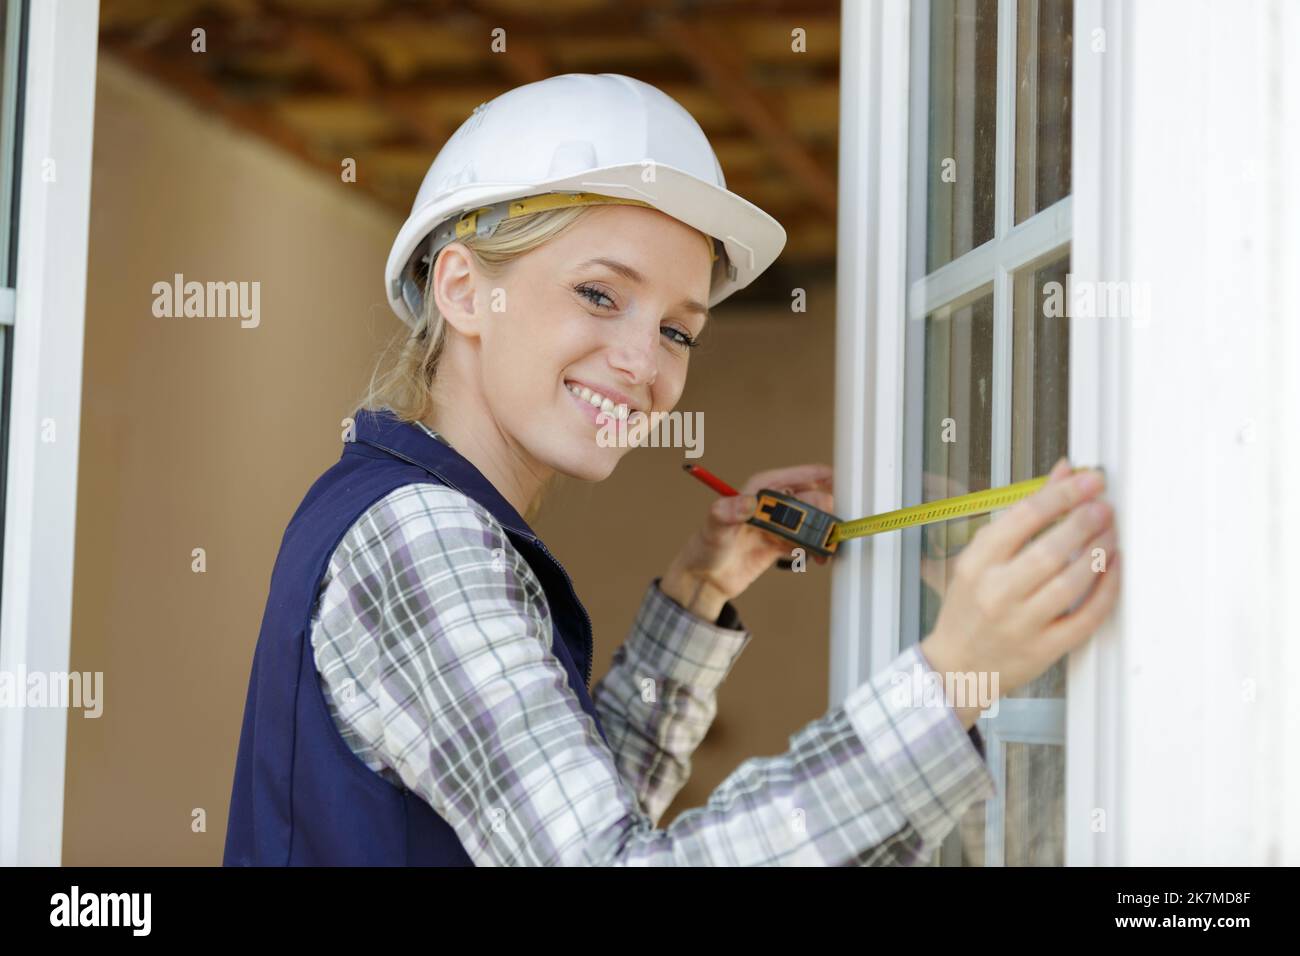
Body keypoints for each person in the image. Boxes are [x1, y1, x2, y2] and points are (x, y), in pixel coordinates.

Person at [223, 73, 1120, 866]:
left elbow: (562, 824)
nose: (644, 365)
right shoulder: (423, 536)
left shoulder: (395, 504)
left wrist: (697, 594)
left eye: (677, 329)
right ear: (462, 289)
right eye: (600, 294)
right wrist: (952, 678)